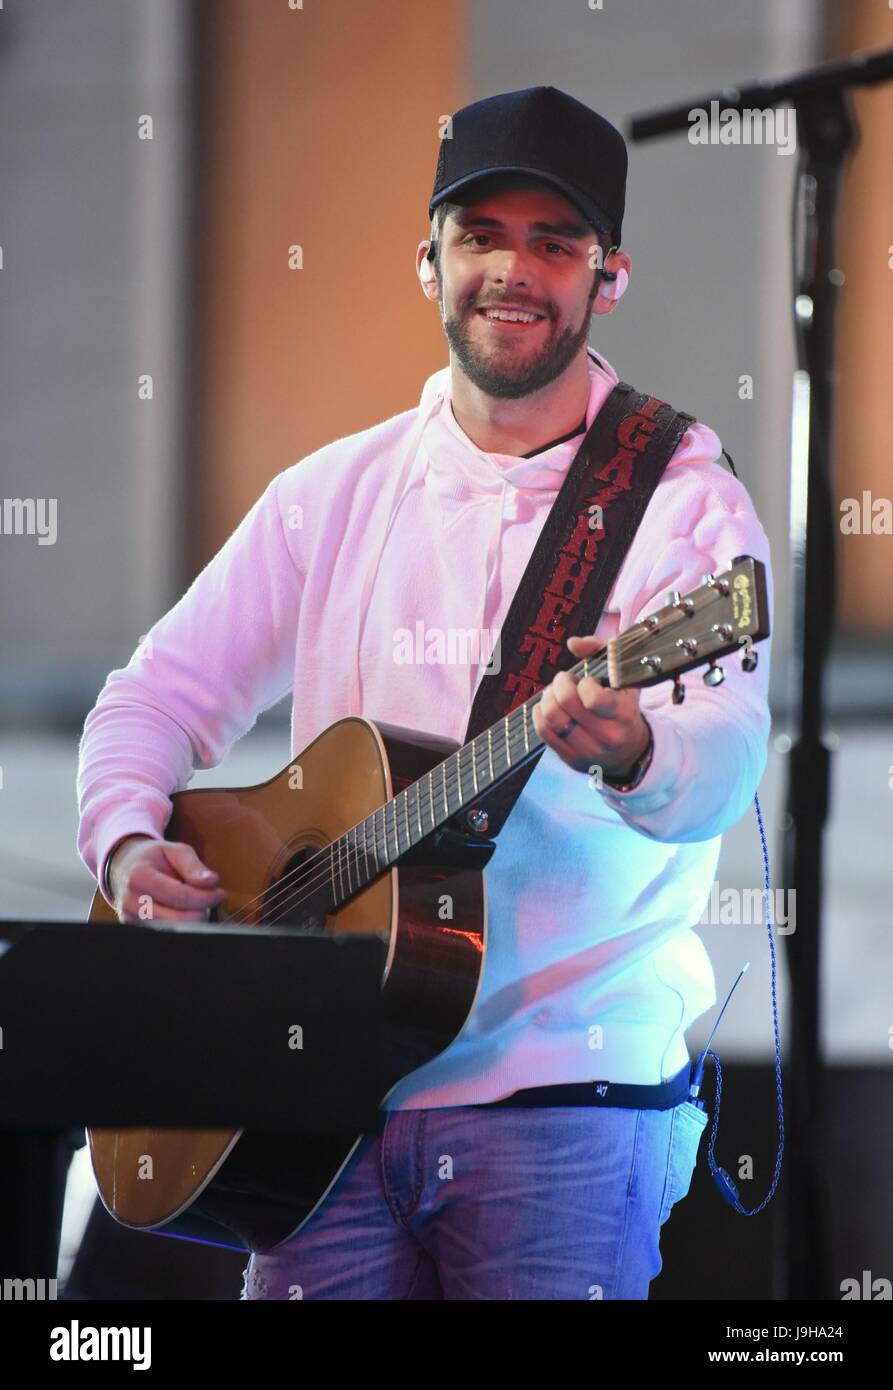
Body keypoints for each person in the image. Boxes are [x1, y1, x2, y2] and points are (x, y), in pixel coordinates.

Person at [77, 86, 773, 1299]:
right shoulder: (330, 492)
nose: (512, 269)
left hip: (565, 1104)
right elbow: (150, 697)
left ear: (607, 277)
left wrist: (632, 752)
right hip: (312, 1103)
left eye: (553, 243)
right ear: (427, 260)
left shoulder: (677, 498)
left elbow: (722, 755)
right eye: (480, 236)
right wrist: (130, 843)